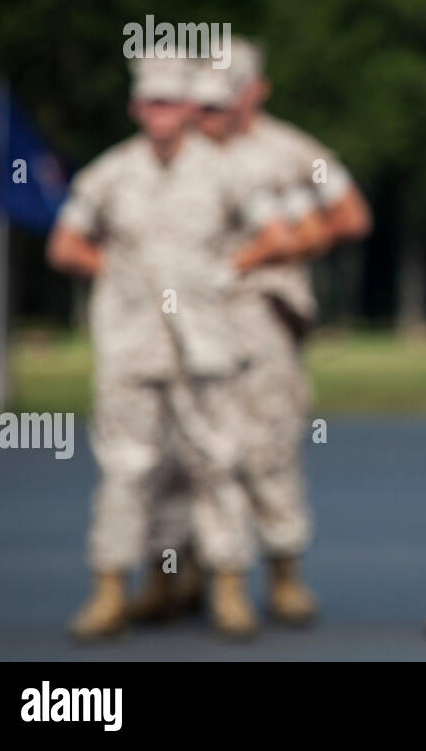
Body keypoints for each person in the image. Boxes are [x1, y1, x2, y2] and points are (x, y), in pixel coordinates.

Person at [46, 55, 295, 638]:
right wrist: (113, 270)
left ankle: (229, 587)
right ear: (137, 109)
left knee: (218, 463)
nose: (162, 114)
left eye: (172, 103)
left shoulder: (227, 171)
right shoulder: (110, 174)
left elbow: (278, 236)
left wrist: (224, 271)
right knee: (126, 470)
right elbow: (64, 246)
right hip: (132, 346)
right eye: (151, 103)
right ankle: (110, 589)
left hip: (206, 344)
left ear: (188, 109)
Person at [130, 45, 372, 627]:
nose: (210, 110)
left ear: (253, 92)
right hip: (175, 326)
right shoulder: (162, 160)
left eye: (224, 96)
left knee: (266, 447)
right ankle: (174, 572)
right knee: (172, 453)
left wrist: (256, 256)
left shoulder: (285, 153)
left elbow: (344, 218)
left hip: (256, 319)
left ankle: (282, 574)